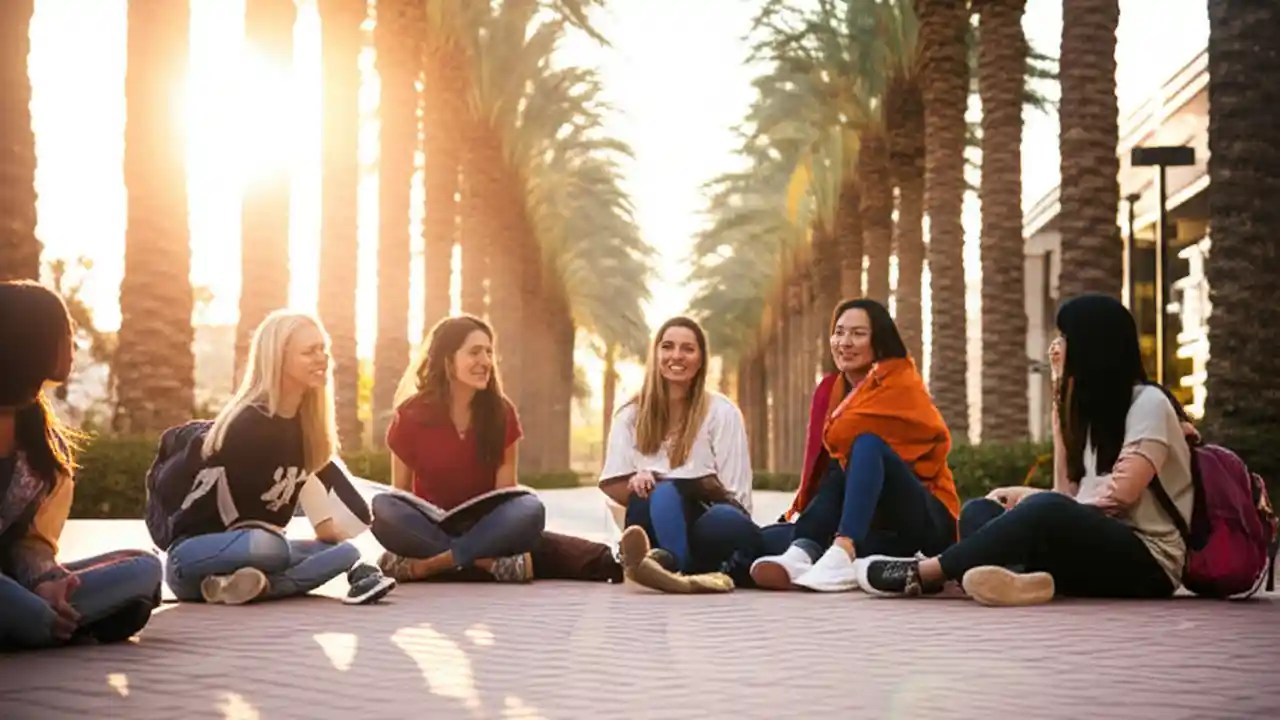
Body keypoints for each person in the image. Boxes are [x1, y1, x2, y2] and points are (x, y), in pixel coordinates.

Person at [859, 294, 1193, 606]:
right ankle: (1024, 581)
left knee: (1044, 507)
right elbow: (1067, 492)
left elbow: (1121, 494)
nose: (1055, 347)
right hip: (1095, 552)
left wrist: (1036, 501)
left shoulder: (1149, 403)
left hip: (1149, 563)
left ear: (1092, 346)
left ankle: (927, 573)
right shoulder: (1090, 413)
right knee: (981, 510)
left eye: (1064, 337)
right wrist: (1061, 404)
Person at [161, 310, 395, 605]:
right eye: (310, 351)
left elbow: (323, 526)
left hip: (251, 557)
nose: (321, 358)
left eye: (323, 349)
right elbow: (239, 525)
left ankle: (249, 587)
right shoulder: (246, 423)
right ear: (278, 357)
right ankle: (261, 580)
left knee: (347, 553)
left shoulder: (305, 429)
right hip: (193, 559)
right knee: (271, 547)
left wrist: (343, 546)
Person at [750, 298, 959, 592]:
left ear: (879, 340)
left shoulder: (900, 381)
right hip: (869, 522)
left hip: (923, 518)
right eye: (839, 332)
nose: (844, 342)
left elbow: (842, 435)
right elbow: (822, 464)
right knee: (763, 541)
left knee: (865, 445)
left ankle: (841, 551)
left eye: (858, 334)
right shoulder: (833, 388)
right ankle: (809, 550)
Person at [1, 280, 163, 647]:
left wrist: (46, 581)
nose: (74, 344)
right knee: (28, 610)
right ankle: (54, 621)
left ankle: (46, 619)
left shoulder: (39, 440)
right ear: (29, 339)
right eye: (65, 332)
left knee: (143, 567)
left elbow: (30, 543)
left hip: (14, 582)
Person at [372, 315, 549, 583]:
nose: (486, 362)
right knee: (384, 507)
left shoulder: (502, 413)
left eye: (489, 352)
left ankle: (431, 565)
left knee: (529, 508)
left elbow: (505, 497)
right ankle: (484, 562)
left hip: (486, 524)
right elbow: (401, 495)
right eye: (475, 352)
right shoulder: (410, 415)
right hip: (429, 526)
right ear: (447, 360)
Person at [598, 316, 752, 593]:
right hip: (649, 520)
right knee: (661, 494)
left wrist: (671, 481)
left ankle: (665, 564)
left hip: (706, 521)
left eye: (688, 349)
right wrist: (638, 481)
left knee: (726, 520)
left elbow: (737, 495)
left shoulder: (722, 412)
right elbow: (612, 483)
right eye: (667, 347)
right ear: (655, 354)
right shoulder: (629, 415)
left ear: (701, 358)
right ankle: (677, 569)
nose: (676, 356)